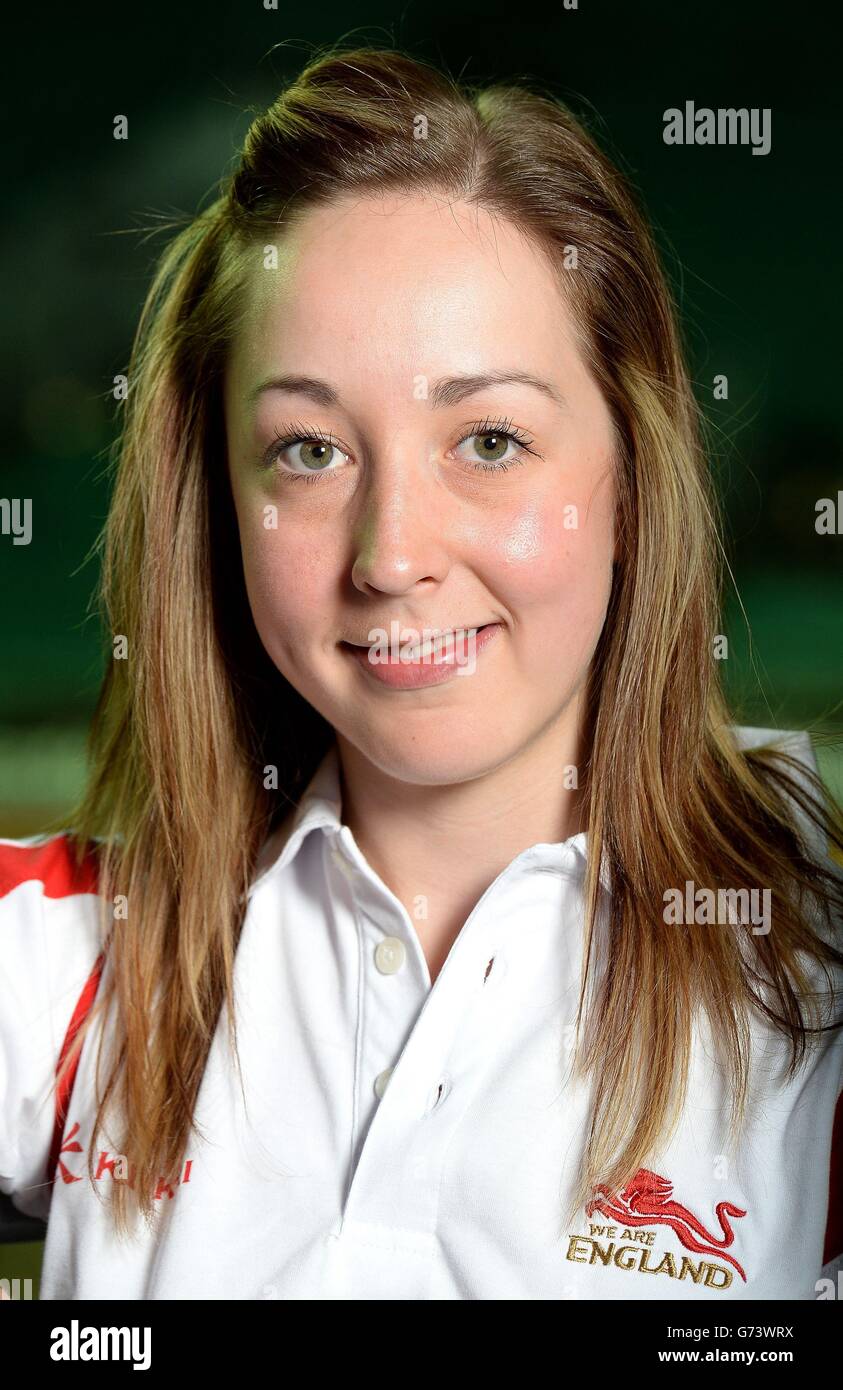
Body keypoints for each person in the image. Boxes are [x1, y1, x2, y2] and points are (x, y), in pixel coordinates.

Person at [1, 46, 841, 1301]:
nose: (392, 555)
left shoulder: (817, 994)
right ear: (216, 502)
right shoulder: (65, 953)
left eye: (490, 439)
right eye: (308, 450)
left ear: (633, 471)